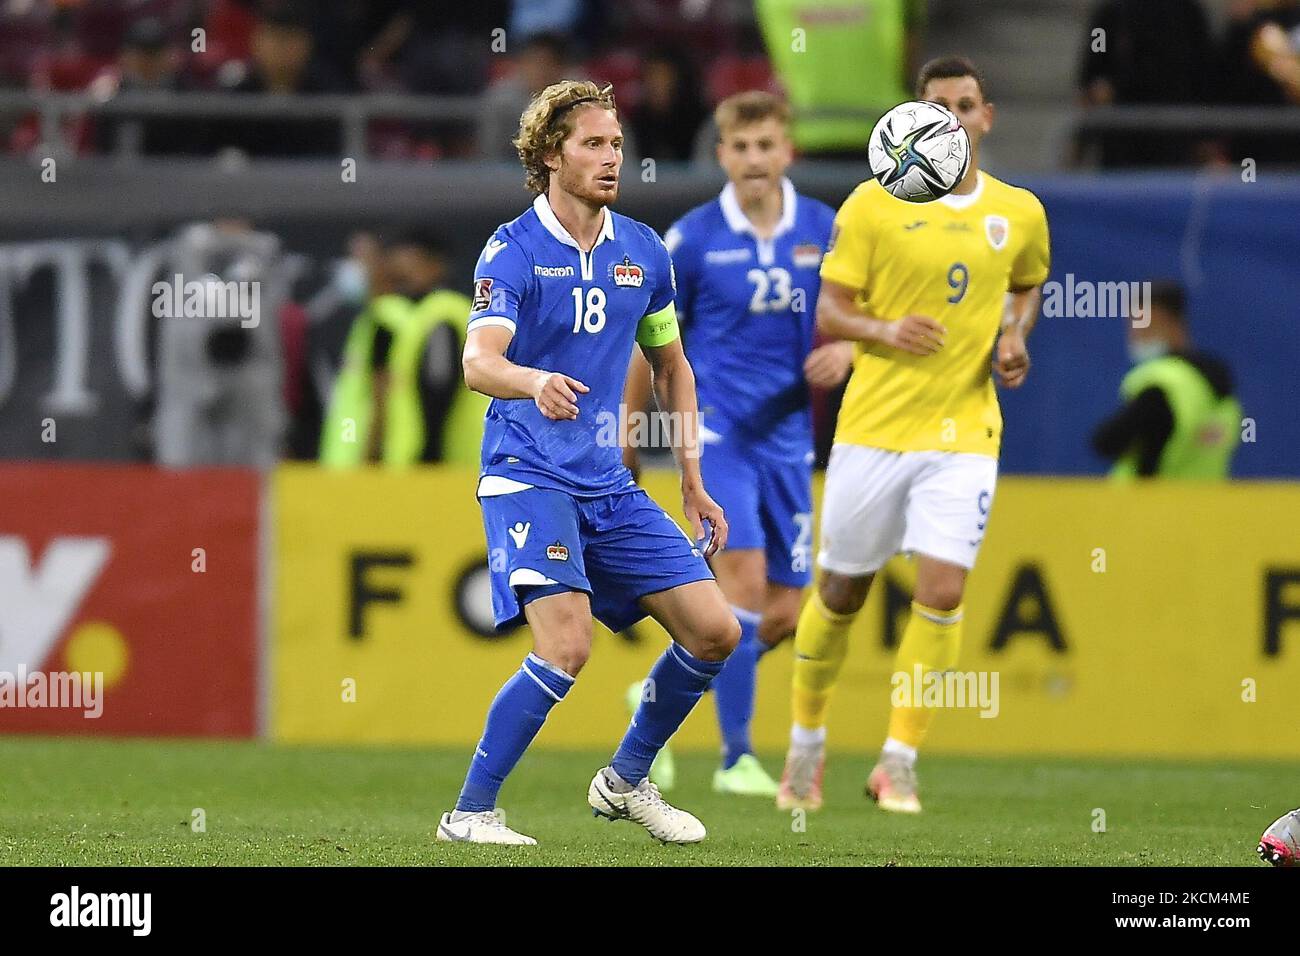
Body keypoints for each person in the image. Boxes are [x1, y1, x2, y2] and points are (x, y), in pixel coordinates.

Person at [438, 80, 740, 846]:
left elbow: (673, 367)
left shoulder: (644, 250)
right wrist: (533, 380)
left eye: (616, 145)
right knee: (567, 646)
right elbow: (479, 362)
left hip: (608, 481)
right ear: (549, 156)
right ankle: (470, 814)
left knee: (714, 630)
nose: (612, 159)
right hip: (528, 471)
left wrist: (694, 481)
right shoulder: (512, 249)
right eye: (593, 145)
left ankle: (626, 781)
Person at [776, 56, 1051, 814]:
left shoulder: (1019, 211)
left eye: (966, 106)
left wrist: (1014, 336)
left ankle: (898, 760)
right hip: (873, 428)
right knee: (840, 591)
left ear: (986, 117)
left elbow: (1025, 285)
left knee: (943, 589)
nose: (954, 119)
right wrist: (885, 328)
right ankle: (806, 741)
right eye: (938, 107)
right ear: (913, 119)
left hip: (964, 430)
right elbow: (830, 314)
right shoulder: (872, 205)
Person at [622, 91, 849, 797]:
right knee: (742, 585)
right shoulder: (690, 240)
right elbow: (652, 346)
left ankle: (653, 696)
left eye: (766, 146)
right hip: (717, 432)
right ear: (721, 155)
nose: (754, 160)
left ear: (788, 151)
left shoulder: (824, 228)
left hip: (788, 438)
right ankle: (737, 759)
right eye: (740, 148)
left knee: (782, 612)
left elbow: (850, 314)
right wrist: (630, 434)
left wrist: (844, 352)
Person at [320, 230, 488, 468]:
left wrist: (375, 452)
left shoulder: (433, 314)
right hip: (403, 456)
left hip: (424, 457)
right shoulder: (405, 315)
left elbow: (434, 390)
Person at [1091, 282, 1240, 479]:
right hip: (1205, 505)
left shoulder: (1162, 385)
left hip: (1147, 506)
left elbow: (1106, 442)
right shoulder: (1220, 386)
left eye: (1137, 321)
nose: (1133, 333)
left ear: (1161, 317)